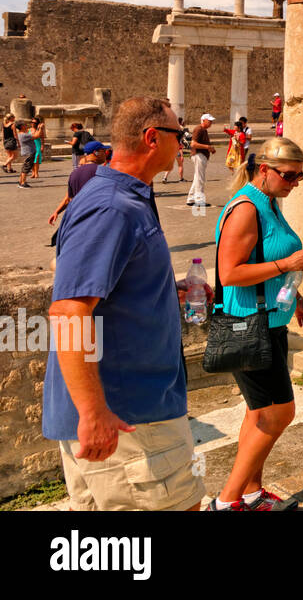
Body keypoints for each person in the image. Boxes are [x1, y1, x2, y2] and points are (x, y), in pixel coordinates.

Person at [42, 96, 204, 511]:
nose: (182, 144)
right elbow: (69, 311)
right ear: (153, 138)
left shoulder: (127, 197)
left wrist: (164, 291)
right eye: (179, 135)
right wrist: (93, 412)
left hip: (130, 415)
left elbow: (108, 290)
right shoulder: (113, 207)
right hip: (130, 421)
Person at [207, 136, 303, 510]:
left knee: (259, 412)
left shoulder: (269, 201)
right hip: (249, 325)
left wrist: (297, 300)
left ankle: (251, 493)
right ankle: (226, 502)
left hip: (269, 321)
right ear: (265, 169)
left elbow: (269, 260)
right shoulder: (245, 208)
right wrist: (290, 264)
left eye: (300, 177)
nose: (295, 183)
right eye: (289, 175)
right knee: (279, 412)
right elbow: (231, 272)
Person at [48, 141, 109, 244]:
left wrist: (57, 212)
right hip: (96, 220)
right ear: (96, 153)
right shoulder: (103, 172)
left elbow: (70, 199)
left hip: (78, 220)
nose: (105, 154)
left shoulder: (74, 174)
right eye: (103, 151)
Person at [187, 113, 215, 207]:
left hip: (201, 155)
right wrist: (207, 147)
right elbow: (193, 144)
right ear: (203, 120)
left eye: (211, 121)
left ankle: (191, 198)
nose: (211, 123)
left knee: (197, 177)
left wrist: (209, 148)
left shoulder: (203, 130)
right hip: (199, 155)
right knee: (200, 178)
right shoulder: (199, 129)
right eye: (209, 121)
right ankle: (199, 200)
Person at [15, 120, 36, 188]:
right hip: (29, 153)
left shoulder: (21, 134)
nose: (26, 125)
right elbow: (37, 136)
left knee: (24, 168)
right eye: (24, 124)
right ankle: (23, 183)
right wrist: (40, 128)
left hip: (27, 153)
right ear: (21, 126)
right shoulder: (24, 135)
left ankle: (20, 181)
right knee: (26, 168)